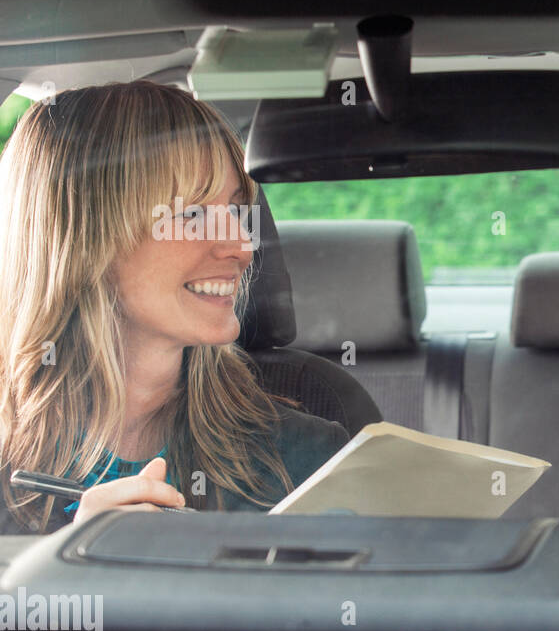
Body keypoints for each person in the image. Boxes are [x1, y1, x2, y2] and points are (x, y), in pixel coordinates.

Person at [0, 81, 348, 535]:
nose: (242, 246)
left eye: (237, 210)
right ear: (82, 238)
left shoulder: (305, 460)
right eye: (192, 214)